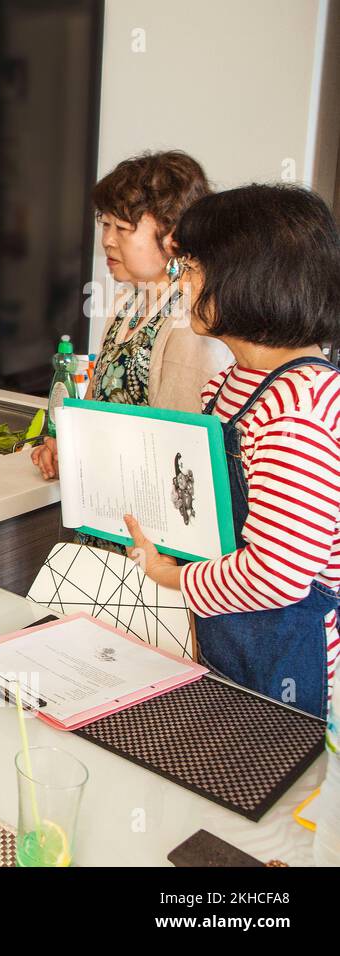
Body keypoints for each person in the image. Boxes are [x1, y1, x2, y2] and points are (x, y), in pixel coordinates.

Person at [127, 184, 340, 719]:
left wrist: (169, 575)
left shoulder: (299, 412)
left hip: (294, 659)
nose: (183, 285)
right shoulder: (231, 382)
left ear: (247, 281)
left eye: (194, 270)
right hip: (229, 633)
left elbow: (277, 575)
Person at [33, 151, 230, 480]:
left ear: (172, 235)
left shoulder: (190, 318)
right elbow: (97, 410)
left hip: (146, 525)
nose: (107, 241)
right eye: (105, 223)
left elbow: (182, 452)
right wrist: (66, 444)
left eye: (122, 227)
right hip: (106, 511)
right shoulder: (127, 302)